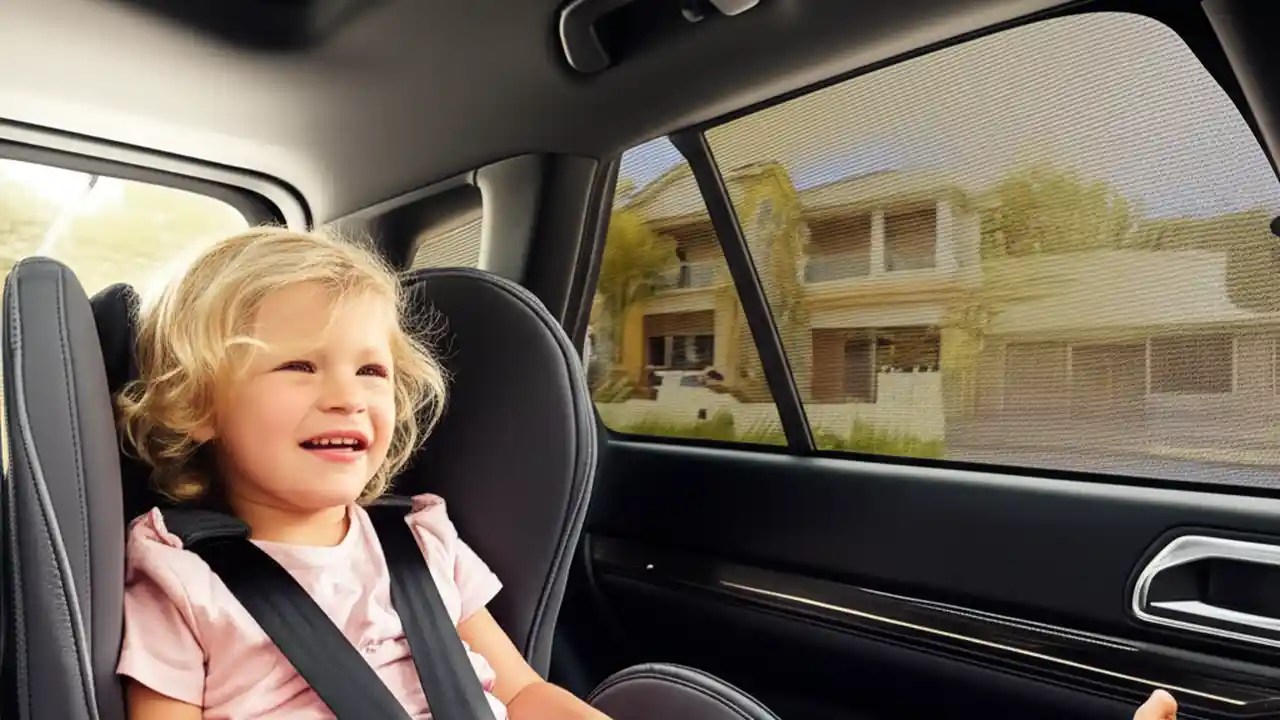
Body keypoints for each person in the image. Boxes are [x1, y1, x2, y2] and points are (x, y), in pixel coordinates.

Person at [114, 227, 611, 719]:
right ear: (199, 405)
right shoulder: (181, 581)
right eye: (300, 366)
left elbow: (524, 694)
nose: (348, 399)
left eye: (370, 371)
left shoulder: (423, 545)